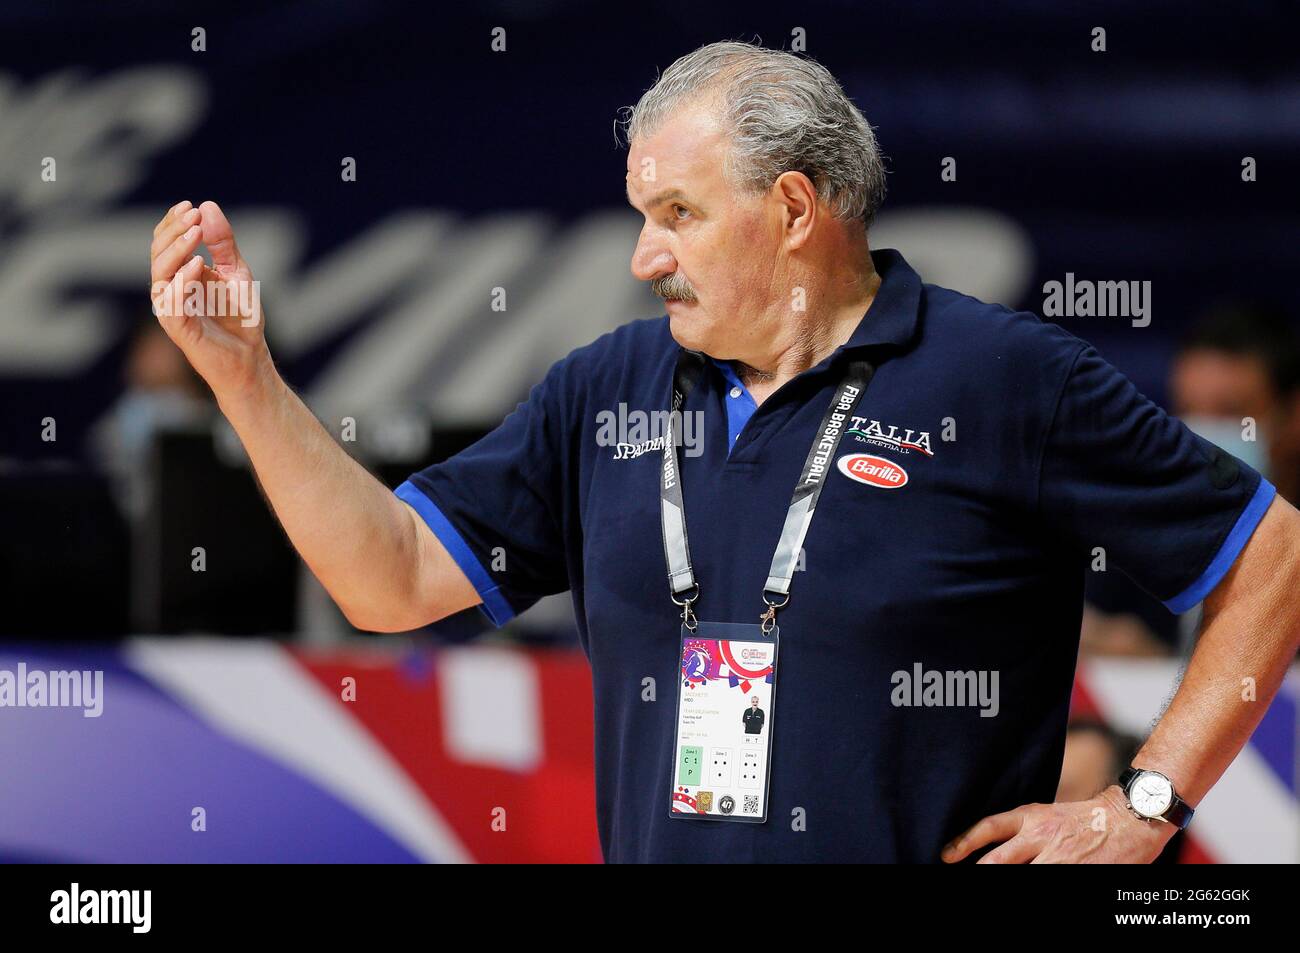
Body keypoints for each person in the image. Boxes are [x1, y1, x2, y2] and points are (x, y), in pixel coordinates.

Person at [148, 41, 1300, 863]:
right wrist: (243, 377)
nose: (645, 256)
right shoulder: (604, 390)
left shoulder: (1000, 376)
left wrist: (1140, 804)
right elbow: (386, 576)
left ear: (794, 209)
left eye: (678, 214)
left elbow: (1272, 553)